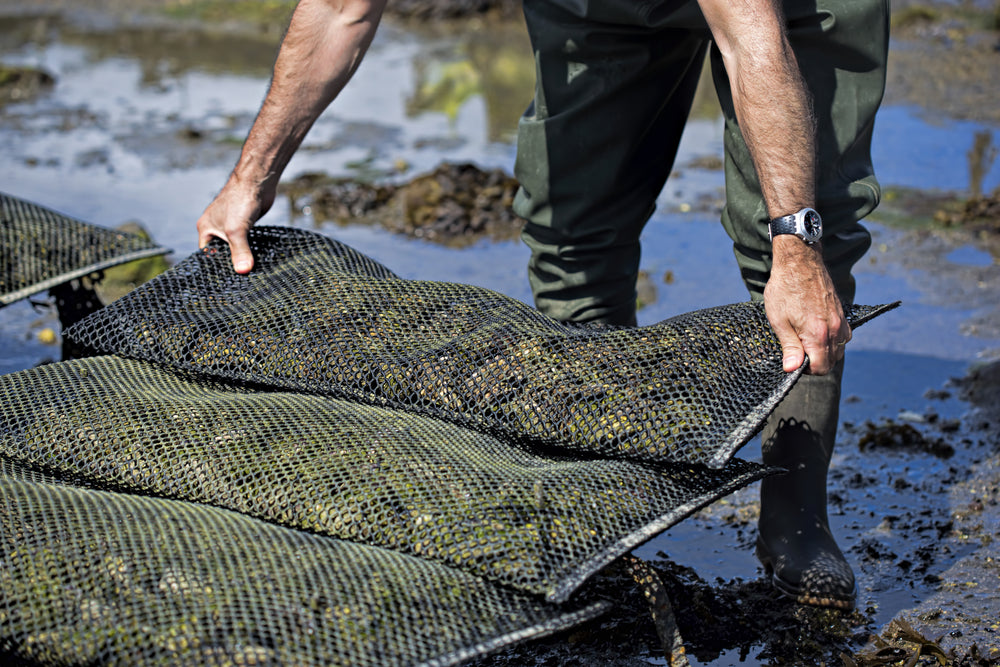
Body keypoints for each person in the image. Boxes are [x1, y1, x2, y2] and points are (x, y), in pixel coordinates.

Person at [196, 0, 889, 611]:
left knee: (805, 239)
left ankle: (796, 517)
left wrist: (796, 245)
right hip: (598, 9)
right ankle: (602, 494)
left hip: (787, 11)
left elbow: (753, 39)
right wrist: (249, 178)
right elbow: (339, 10)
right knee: (570, 226)